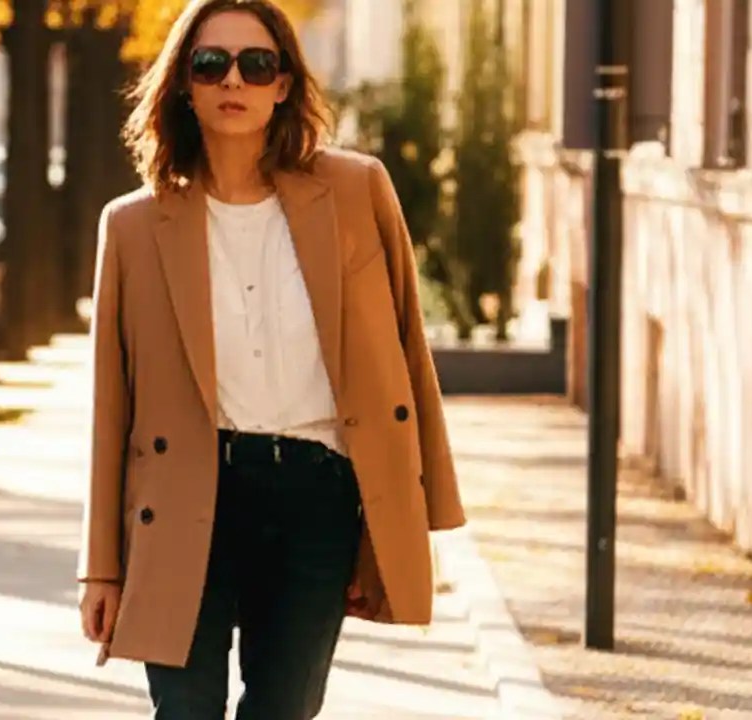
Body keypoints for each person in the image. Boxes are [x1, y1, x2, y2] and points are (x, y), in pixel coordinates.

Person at [77, 0, 467, 717]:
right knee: (185, 711)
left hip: (315, 498)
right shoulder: (133, 227)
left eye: (256, 64)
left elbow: (409, 352)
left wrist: (420, 511)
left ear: (284, 83)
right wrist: (100, 568)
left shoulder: (355, 191)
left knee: (284, 710)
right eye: (210, 63)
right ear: (184, 85)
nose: (234, 80)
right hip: (187, 495)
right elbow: (111, 411)